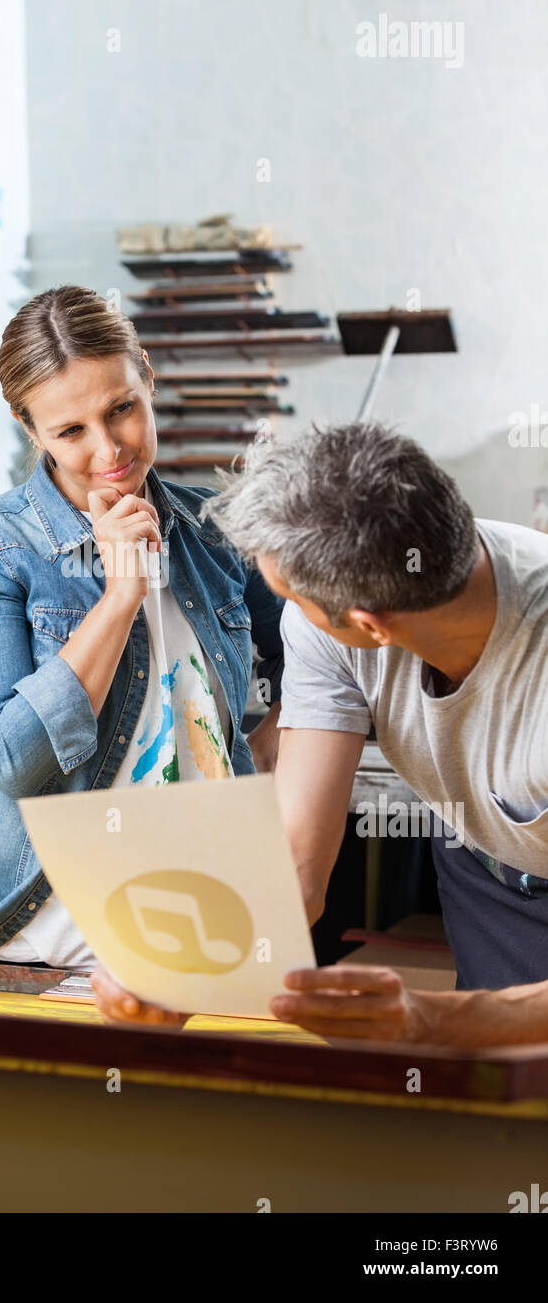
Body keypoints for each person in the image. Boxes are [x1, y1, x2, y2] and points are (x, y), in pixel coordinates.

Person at [92, 422, 548, 1048]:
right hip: (490, 869)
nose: (291, 618)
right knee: (506, 1091)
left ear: (368, 623)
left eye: (292, 601)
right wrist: (186, 970)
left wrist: (430, 1018)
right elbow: (298, 864)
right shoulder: (333, 620)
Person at [0, 285, 284, 967]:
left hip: (209, 934)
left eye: (122, 410)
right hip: (33, 951)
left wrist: (252, 777)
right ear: (30, 429)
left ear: (146, 374)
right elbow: (10, 761)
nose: (109, 450)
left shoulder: (219, 532)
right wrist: (119, 595)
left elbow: (321, 676)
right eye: (71, 431)